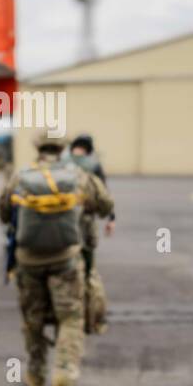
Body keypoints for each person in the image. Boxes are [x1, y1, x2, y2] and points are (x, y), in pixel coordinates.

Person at [0, 127, 114, 386]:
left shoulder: (21, 176)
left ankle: (36, 374)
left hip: (28, 260)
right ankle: (63, 379)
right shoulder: (79, 176)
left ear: (38, 149)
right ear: (62, 149)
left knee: (33, 316)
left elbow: (2, 212)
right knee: (70, 317)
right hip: (66, 260)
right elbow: (105, 205)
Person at [66, 134, 114, 334]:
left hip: (62, 228)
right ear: (89, 149)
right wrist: (111, 218)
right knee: (88, 273)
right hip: (84, 228)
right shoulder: (93, 165)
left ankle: (66, 315)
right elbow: (104, 196)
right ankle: (92, 320)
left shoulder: (60, 164)